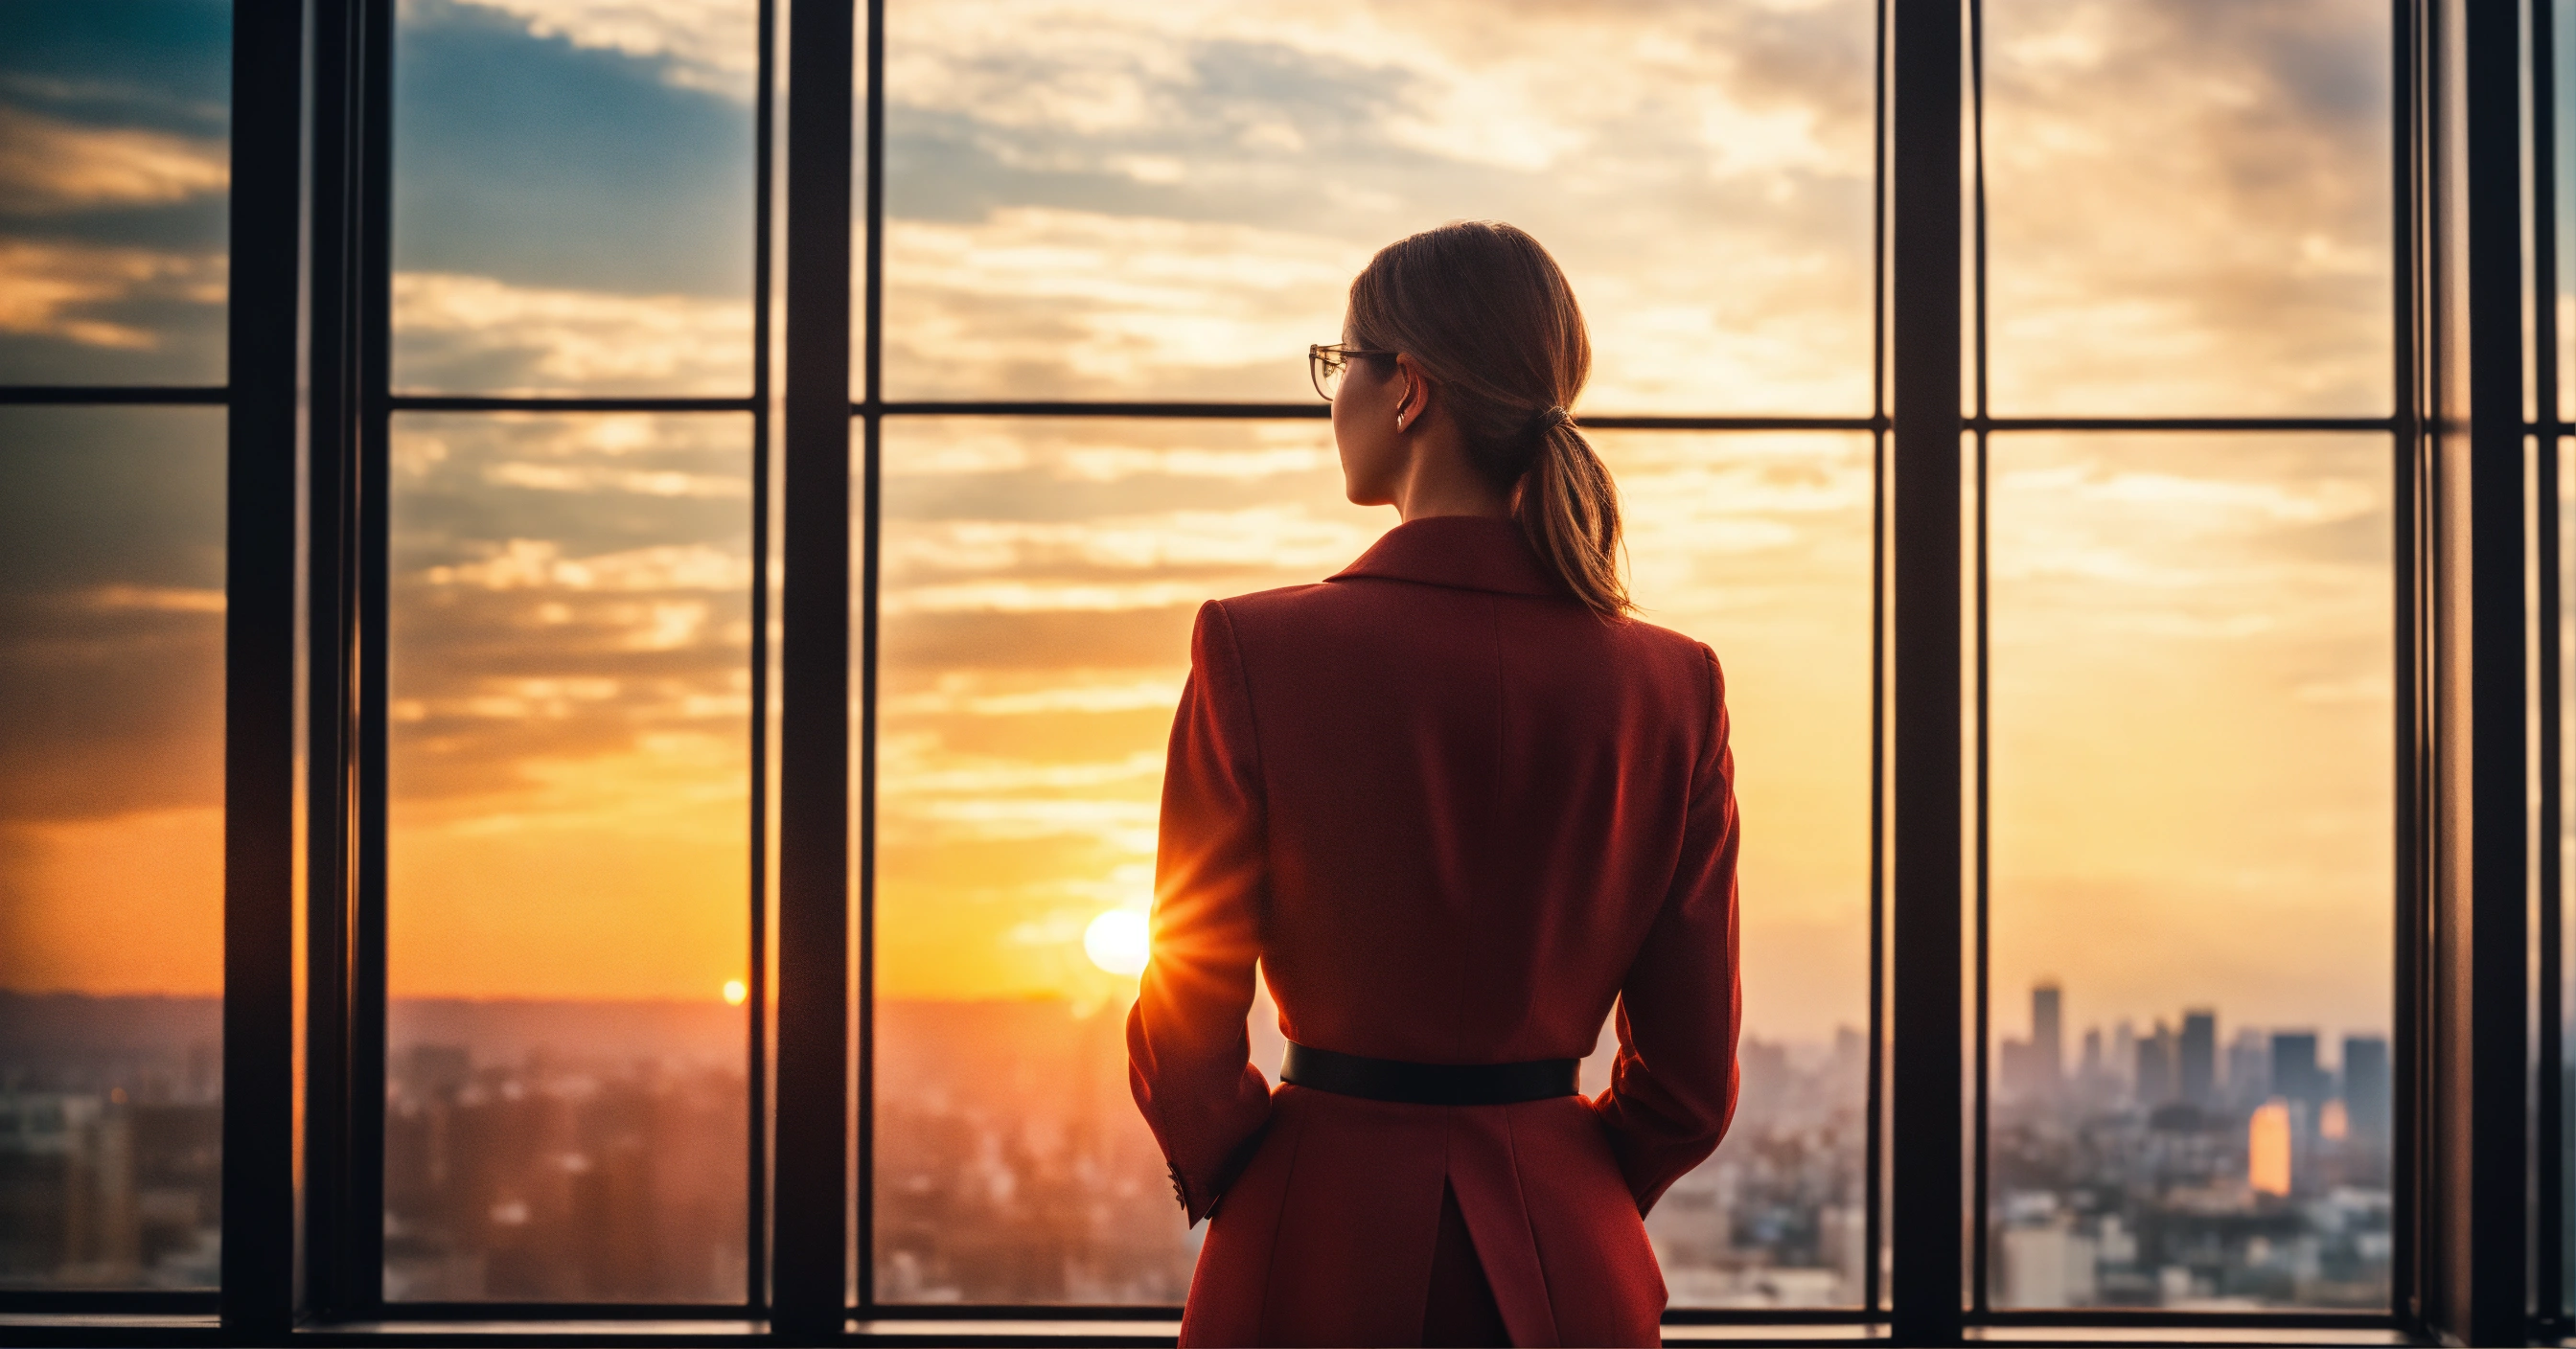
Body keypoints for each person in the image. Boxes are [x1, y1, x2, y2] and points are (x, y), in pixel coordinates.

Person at [1126, 220, 1742, 1348]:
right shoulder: (1674, 687)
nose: (1333, 398)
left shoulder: (1255, 651)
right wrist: (1564, 1184)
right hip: (1573, 1271)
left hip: (1310, 1254)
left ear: (1407, 389)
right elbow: (1692, 1080)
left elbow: (1184, 1020)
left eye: (1340, 364)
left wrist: (1261, 1180)